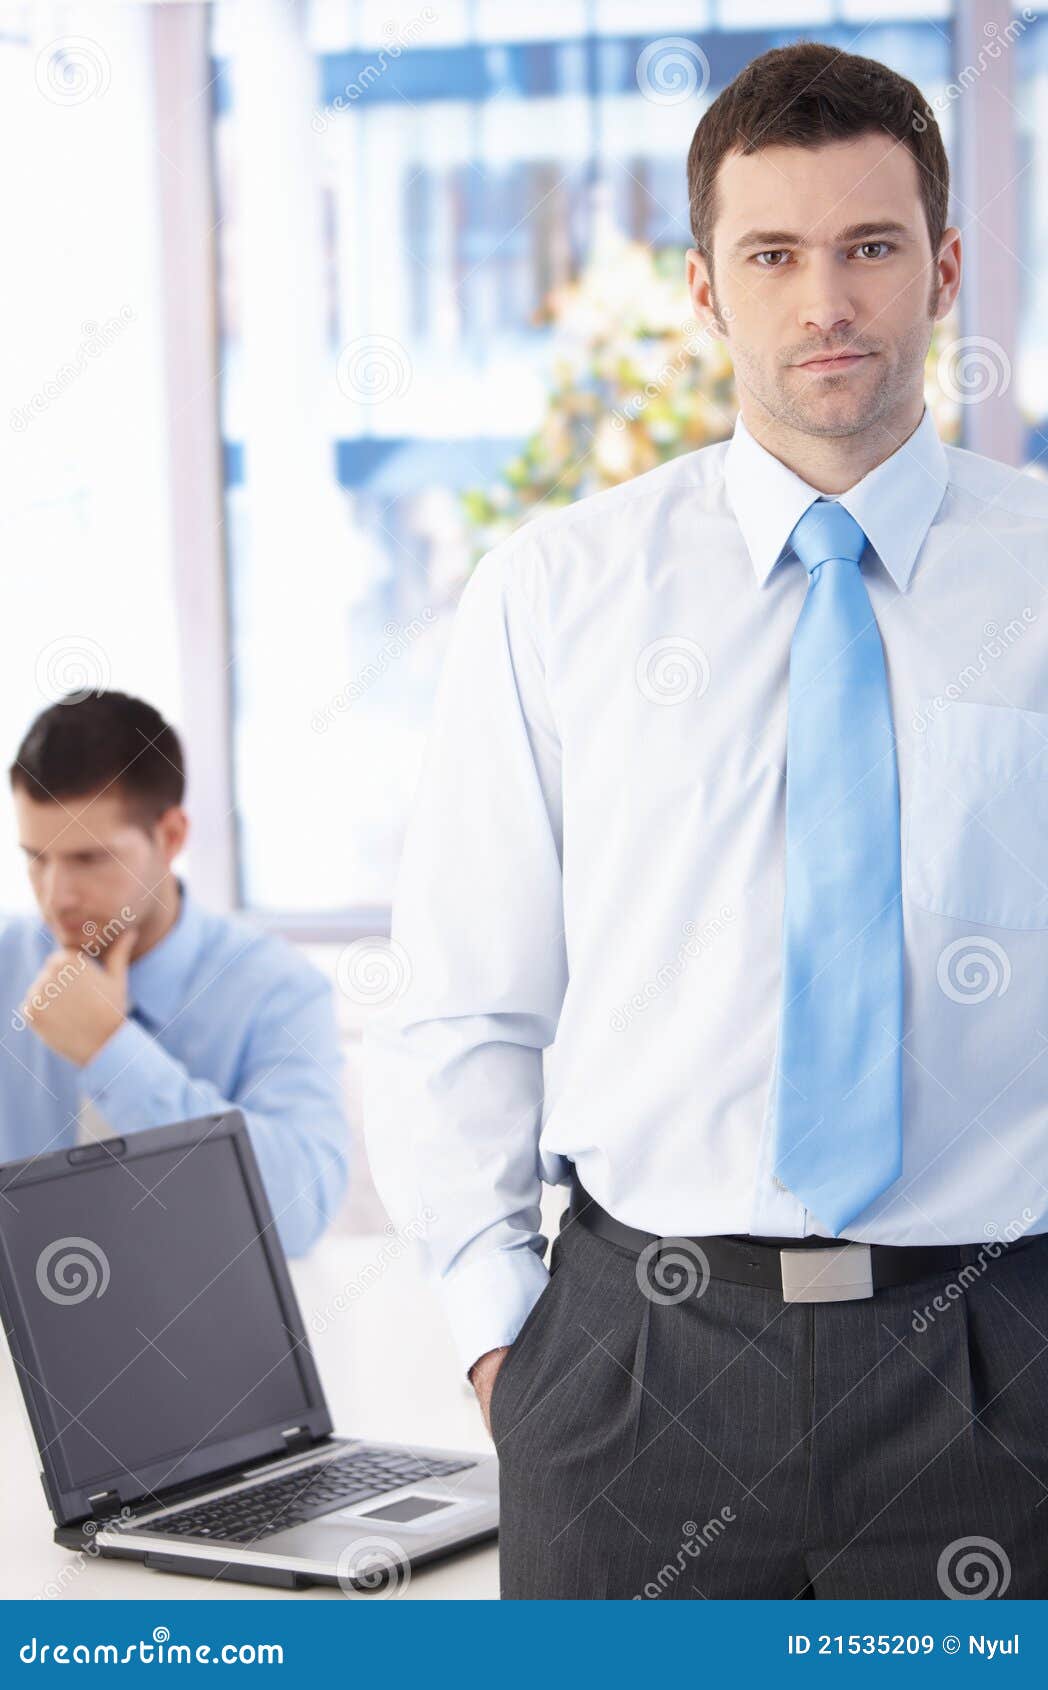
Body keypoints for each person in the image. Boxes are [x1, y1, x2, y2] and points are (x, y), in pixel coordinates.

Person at [363, 41, 1048, 1599]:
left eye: (871, 248)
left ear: (941, 267)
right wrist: (501, 1346)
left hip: (1002, 1370)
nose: (827, 302)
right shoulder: (561, 593)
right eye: (775, 255)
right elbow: (466, 992)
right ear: (702, 288)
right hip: (636, 1374)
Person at [0, 689, 349, 1258]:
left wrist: (111, 1052)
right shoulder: (5, 962)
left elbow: (298, 1216)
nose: (55, 895)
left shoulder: (276, 988)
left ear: (171, 837)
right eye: (36, 859)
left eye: (88, 858)